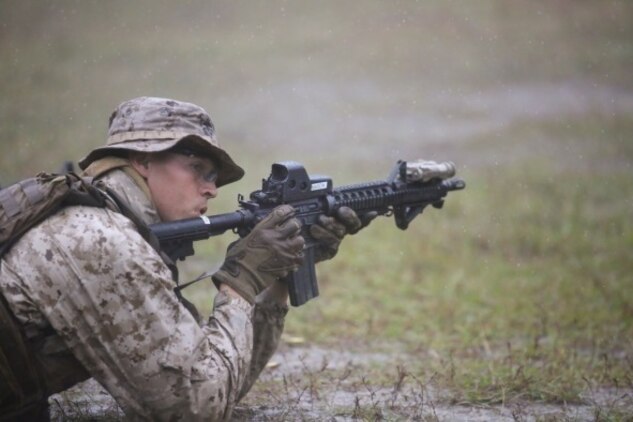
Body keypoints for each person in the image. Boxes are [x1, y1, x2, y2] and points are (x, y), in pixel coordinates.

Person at [0, 97, 372, 420]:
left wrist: (275, 277)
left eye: (214, 177)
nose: (211, 188)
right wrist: (242, 281)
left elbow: (215, 382)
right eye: (198, 169)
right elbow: (193, 410)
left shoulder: (108, 228)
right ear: (142, 160)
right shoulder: (103, 243)